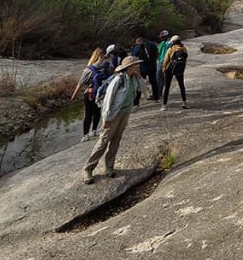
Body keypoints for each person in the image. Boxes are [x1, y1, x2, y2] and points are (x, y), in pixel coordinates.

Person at [82, 55, 145, 184]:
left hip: (125, 113)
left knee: (116, 139)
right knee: (104, 141)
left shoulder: (133, 78)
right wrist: (106, 119)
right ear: (129, 67)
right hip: (114, 115)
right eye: (136, 65)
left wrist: (139, 77)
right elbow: (108, 100)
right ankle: (88, 169)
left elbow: (143, 90)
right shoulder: (118, 80)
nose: (138, 66)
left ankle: (109, 166)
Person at [70, 47, 109, 142]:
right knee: (97, 112)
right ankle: (94, 130)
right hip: (101, 93)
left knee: (88, 114)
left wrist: (74, 95)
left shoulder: (89, 69)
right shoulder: (107, 66)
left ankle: (85, 135)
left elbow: (80, 83)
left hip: (89, 93)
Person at [160, 36, 188, 111]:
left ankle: (164, 105)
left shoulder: (171, 49)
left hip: (170, 69)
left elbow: (166, 60)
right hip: (179, 70)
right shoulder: (184, 49)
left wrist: (163, 69)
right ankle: (184, 102)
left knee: (167, 87)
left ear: (173, 42)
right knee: (181, 85)